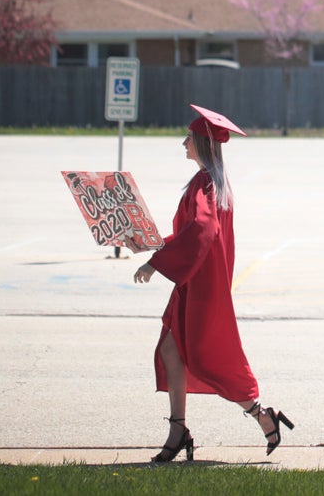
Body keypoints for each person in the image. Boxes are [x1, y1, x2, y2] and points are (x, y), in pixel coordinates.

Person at [133, 104, 294, 463]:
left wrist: (156, 263)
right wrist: (151, 245)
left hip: (201, 287)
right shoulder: (213, 183)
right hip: (198, 282)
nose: (183, 144)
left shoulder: (205, 183)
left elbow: (202, 230)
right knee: (171, 351)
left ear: (202, 143)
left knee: (208, 359)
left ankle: (261, 414)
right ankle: (178, 430)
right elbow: (191, 233)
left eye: (188, 138)